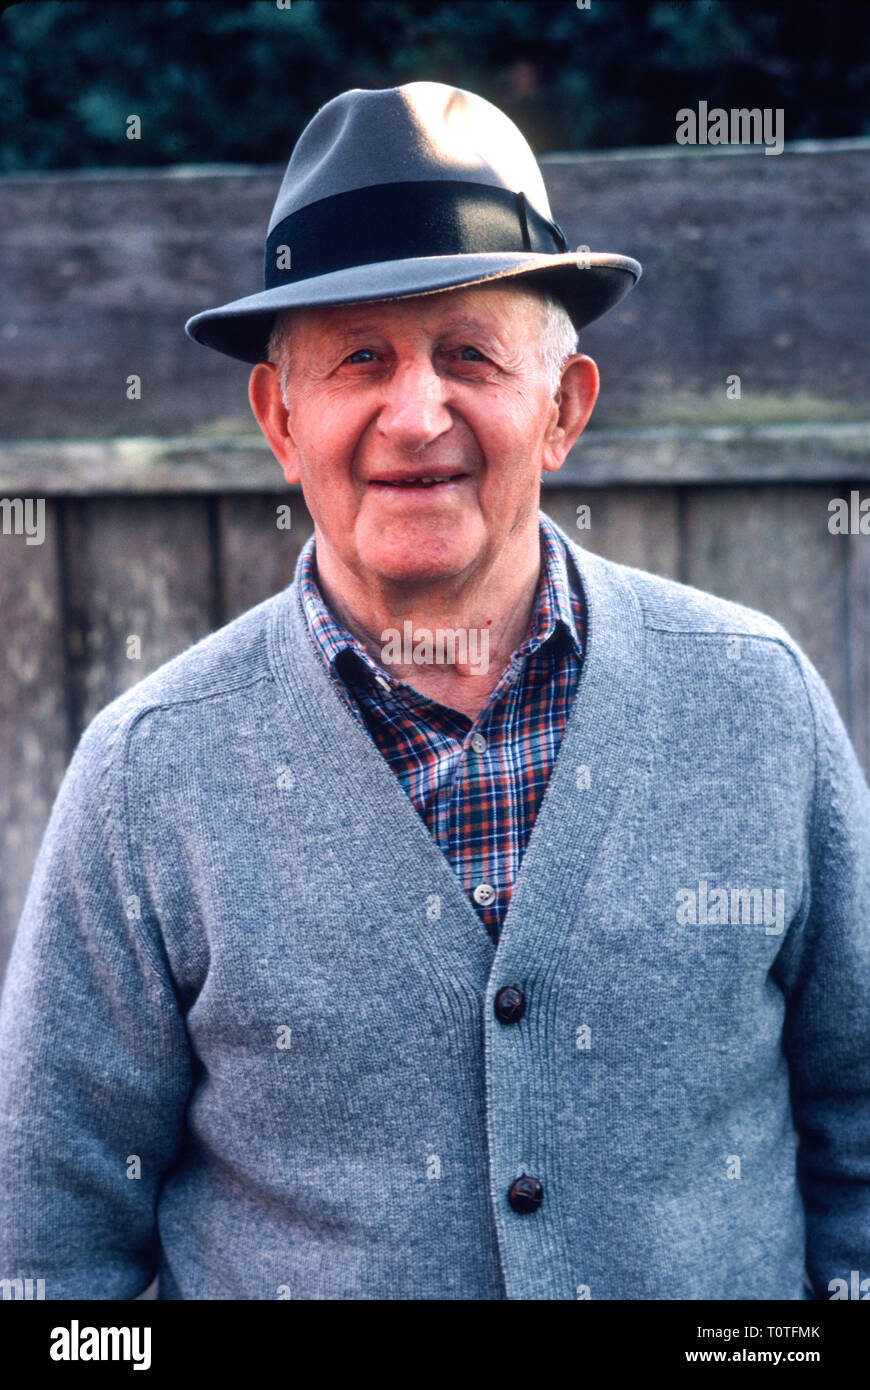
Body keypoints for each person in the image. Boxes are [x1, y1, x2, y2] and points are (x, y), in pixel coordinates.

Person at [0, 82, 867, 1302]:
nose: (418, 415)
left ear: (563, 409)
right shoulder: (148, 775)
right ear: (280, 418)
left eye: (470, 353)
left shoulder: (756, 701)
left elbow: (862, 1133)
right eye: (361, 357)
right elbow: (46, 1258)